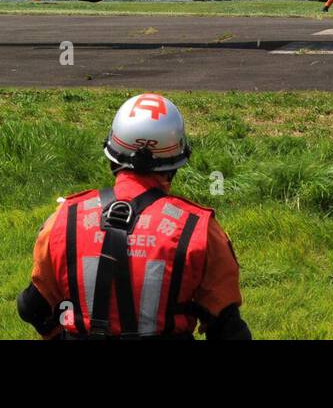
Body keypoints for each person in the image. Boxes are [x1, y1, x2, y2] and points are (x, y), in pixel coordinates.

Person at [18, 93, 249, 340]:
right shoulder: (199, 230)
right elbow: (228, 329)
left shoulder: (64, 220)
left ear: (112, 156)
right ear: (174, 165)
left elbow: (32, 308)